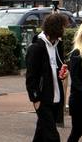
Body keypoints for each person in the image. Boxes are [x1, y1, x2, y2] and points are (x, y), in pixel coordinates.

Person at [27, 13, 69, 142]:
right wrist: (35, 98)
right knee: (53, 136)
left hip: (55, 97)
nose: (64, 30)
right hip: (43, 99)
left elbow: (59, 66)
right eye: (62, 27)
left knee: (41, 133)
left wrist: (63, 73)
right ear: (55, 28)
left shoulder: (58, 45)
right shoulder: (36, 48)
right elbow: (31, 76)